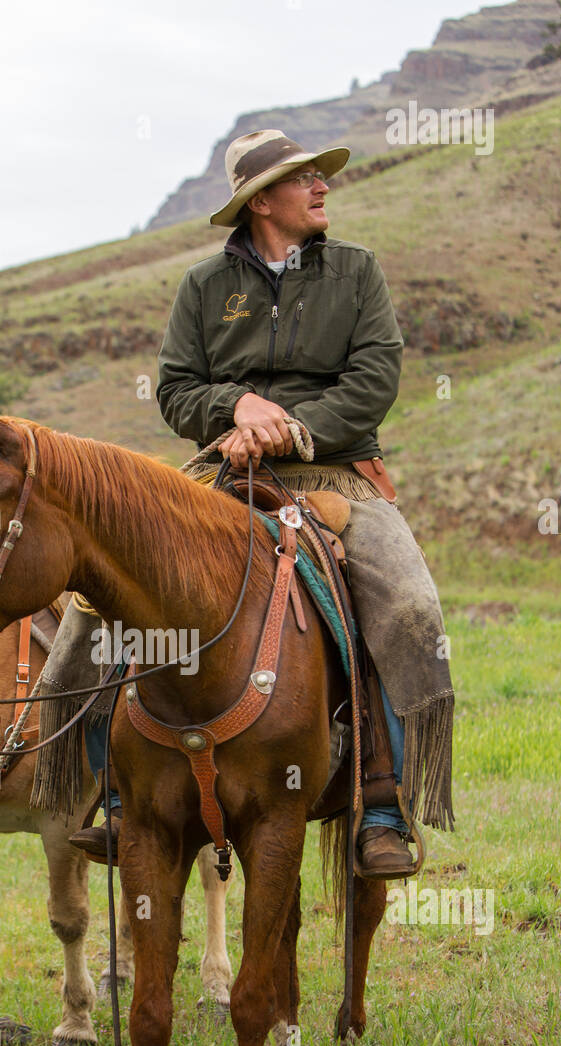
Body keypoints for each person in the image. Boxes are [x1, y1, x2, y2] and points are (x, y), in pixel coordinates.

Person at [62, 129, 455, 876]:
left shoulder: (356, 272)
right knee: (94, 612)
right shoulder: (205, 288)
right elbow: (177, 389)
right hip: (222, 473)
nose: (322, 187)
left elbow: (375, 380)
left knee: (409, 610)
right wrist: (235, 407)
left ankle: (382, 806)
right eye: (303, 178)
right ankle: (115, 794)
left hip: (335, 473)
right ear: (261, 200)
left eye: (317, 176)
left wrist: (292, 432)